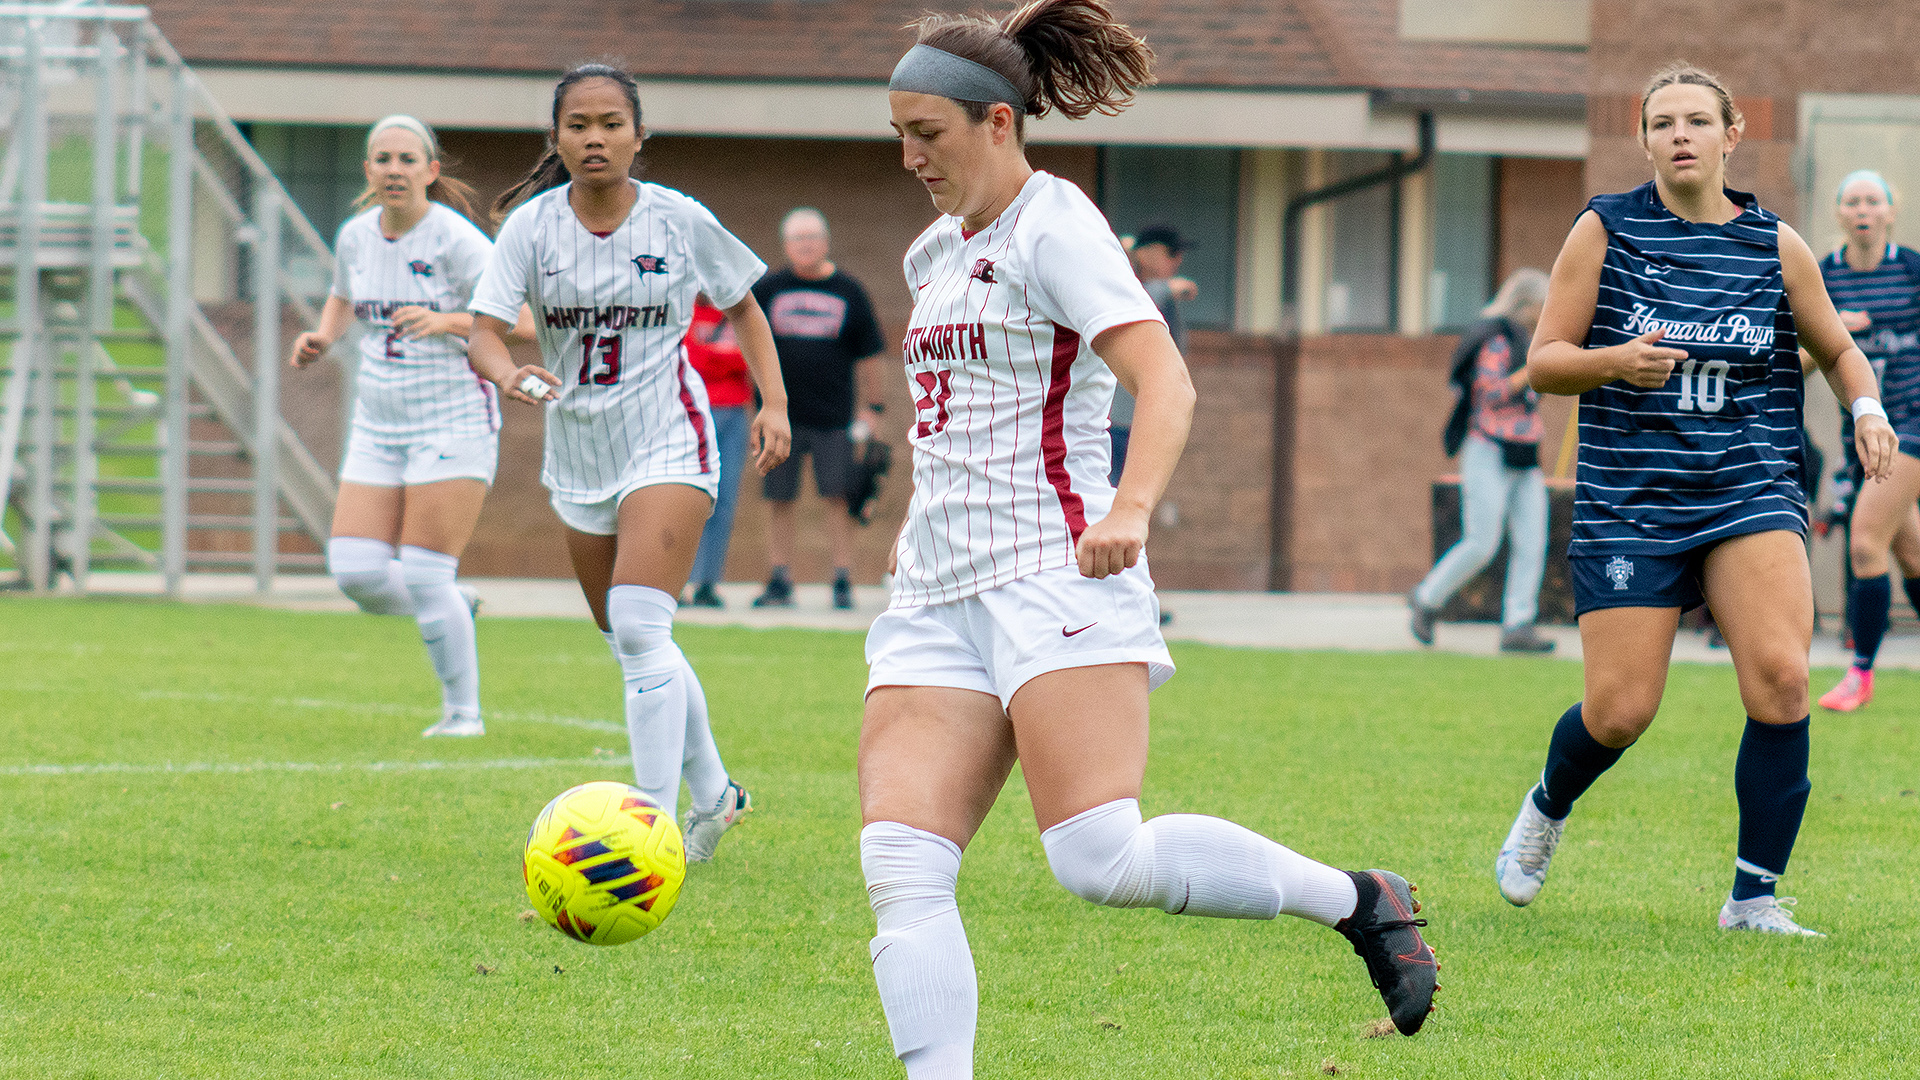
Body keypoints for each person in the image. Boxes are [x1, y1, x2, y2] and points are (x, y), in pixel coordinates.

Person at [862, 5, 1440, 1074]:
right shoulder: (933, 252)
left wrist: (1128, 510)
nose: (909, 158)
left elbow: (1163, 380)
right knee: (900, 863)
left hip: (1052, 569)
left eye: (927, 134)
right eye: (898, 133)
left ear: (997, 124)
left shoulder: (1056, 222)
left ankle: (1360, 901)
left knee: (1096, 857)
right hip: (937, 589)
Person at [1491, 65, 1896, 938]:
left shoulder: (1776, 244)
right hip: (1631, 498)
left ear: (1731, 134)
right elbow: (1545, 359)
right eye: (1663, 122)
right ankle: (1549, 803)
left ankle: (1753, 898)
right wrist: (1615, 361)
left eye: (1696, 121)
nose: (1680, 134)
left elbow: (1836, 350)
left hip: (1748, 487)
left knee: (1785, 680)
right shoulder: (1605, 228)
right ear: (1644, 141)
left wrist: (1866, 409)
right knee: (1621, 711)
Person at [463, 64, 792, 860]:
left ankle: (648, 828)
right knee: (630, 639)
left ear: (639, 137)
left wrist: (773, 403)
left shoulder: (678, 220)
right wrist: (509, 373)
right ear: (556, 139)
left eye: (611, 122)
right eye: (578, 125)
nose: (595, 137)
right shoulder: (532, 229)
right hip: (578, 453)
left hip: (669, 441)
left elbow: (744, 304)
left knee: (644, 628)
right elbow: (482, 331)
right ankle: (715, 793)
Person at [290, 114, 528, 738]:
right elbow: (345, 295)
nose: (394, 169)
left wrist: (447, 321)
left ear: (431, 170)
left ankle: (463, 715)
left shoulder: (457, 240)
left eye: (406, 159)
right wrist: (324, 335)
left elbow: (525, 321)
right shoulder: (355, 236)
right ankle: (457, 604)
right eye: (382, 159)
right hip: (378, 422)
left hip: (452, 419)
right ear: (368, 170)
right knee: (357, 573)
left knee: (425, 574)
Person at [1409, 268, 1556, 654]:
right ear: (1525, 304)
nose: (1546, 312)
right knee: (1482, 542)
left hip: (1524, 453)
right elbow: (1490, 393)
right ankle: (1426, 599)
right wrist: (1533, 372)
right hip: (1488, 449)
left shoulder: (1527, 339)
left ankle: (1518, 624)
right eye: (1542, 304)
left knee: (1532, 540)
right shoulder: (1496, 338)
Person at [1815, 170, 1920, 711]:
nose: (1862, 209)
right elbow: (1804, 360)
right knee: (1911, 552)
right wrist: (1836, 330)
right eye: (1852, 200)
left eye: (1872, 200)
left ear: (1889, 211)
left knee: (1863, 542)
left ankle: (1860, 673)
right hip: (1861, 428)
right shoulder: (1822, 276)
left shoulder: (1911, 268)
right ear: (1839, 214)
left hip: (1912, 424)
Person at [751, 208, 889, 610]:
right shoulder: (769, 289)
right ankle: (780, 579)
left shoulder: (849, 291)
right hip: (781, 419)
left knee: (838, 498)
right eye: (798, 239)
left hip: (834, 418)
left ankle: (842, 579)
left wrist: (873, 408)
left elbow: (872, 353)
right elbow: (749, 343)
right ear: (786, 245)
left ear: (825, 242)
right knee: (779, 498)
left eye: (812, 237)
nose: (805, 245)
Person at [683, 294, 753, 608]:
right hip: (693, 411)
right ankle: (678, 581)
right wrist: (725, 358)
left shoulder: (738, 313)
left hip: (733, 413)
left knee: (722, 501)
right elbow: (693, 359)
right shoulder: (687, 312)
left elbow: (749, 358)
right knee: (686, 498)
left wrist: (718, 358)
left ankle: (708, 582)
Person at [1113, 224, 1195, 485]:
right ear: (1146, 254)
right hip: (1116, 424)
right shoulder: (1126, 285)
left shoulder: (1163, 296)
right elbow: (1126, 306)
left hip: (1146, 423)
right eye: (1171, 253)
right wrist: (1166, 287)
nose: (1178, 260)